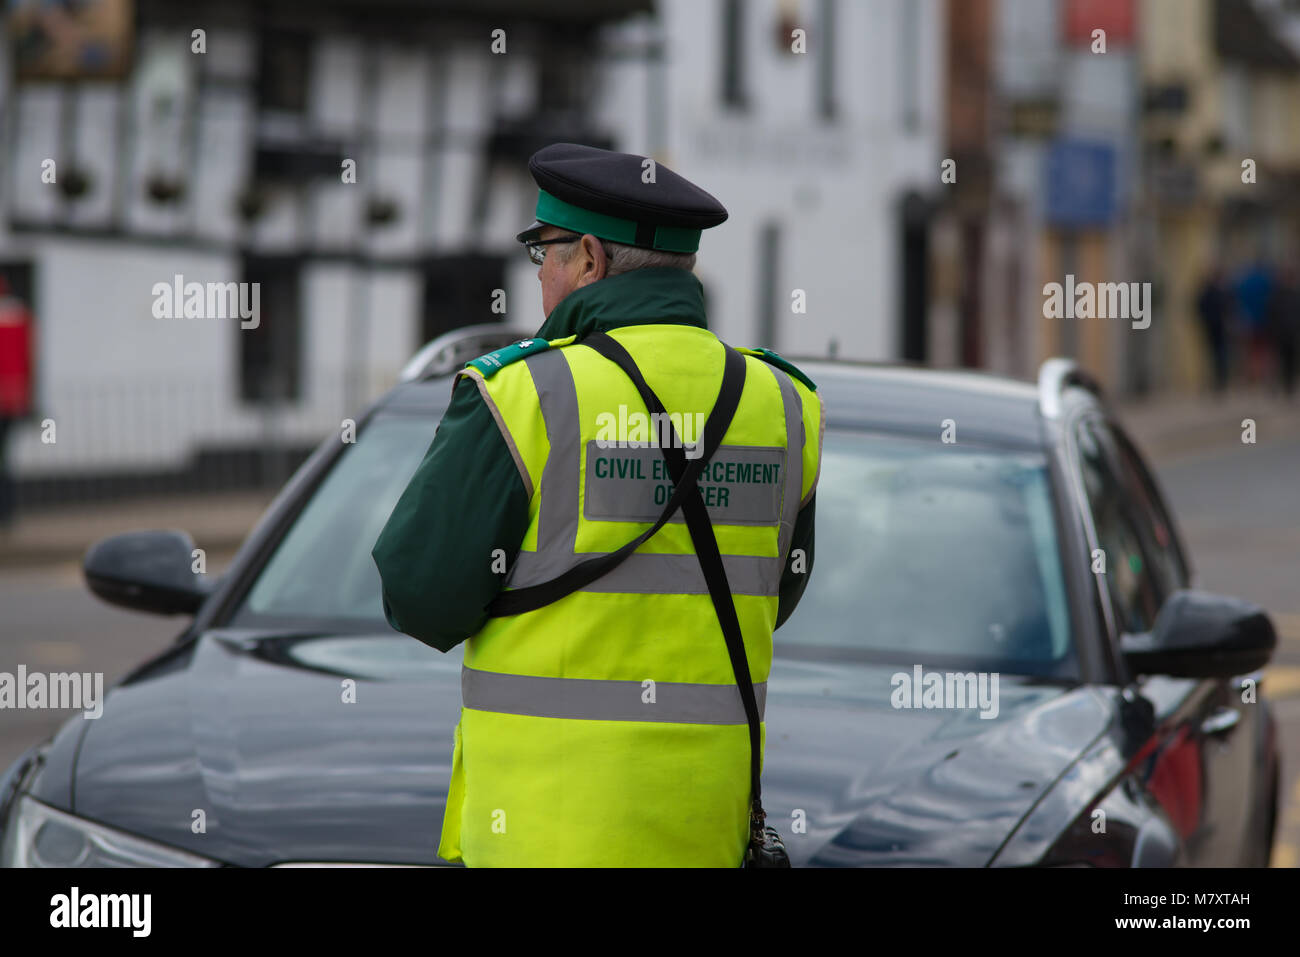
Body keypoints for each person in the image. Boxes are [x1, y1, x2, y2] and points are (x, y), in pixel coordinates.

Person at [371, 142, 824, 866]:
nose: (541, 277)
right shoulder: (783, 402)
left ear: (587, 259)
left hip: (542, 837)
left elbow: (419, 597)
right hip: (705, 835)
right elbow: (777, 590)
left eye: (542, 253)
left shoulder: (521, 394)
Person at [1194, 265, 1229, 394]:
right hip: (1212, 328)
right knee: (1215, 355)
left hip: (1218, 328)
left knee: (1218, 355)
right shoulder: (1213, 292)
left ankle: (1219, 381)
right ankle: (1215, 381)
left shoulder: (1220, 291)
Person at [1268, 264, 1300, 398]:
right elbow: (1272, 314)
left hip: (1290, 333)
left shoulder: (1293, 295)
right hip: (1282, 333)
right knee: (1282, 360)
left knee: (1290, 360)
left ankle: (1289, 386)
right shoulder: (1278, 295)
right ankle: (1284, 385)